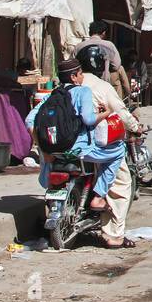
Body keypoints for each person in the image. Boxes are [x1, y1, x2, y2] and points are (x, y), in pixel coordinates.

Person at [27, 58, 133, 247]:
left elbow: (29, 121)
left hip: (55, 151)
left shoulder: (52, 94)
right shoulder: (82, 91)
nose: (83, 77)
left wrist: (43, 150)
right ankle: (99, 197)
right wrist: (106, 113)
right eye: (80, 74)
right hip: (81, 149)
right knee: (118, 151)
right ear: (75, 76)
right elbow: (89, 119)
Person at [75, 45, 142, 247]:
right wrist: (135, 127)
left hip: (66, 144)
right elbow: (120, 111)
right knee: (121, 182)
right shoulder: (101, 86)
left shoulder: (66, 84)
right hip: (95, 145)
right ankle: (113, 234)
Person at [74, 21, 129, 103]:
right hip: (104, 82)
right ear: (103, 33)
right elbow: (116, 65)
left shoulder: (79, 46)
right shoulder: (109, 45)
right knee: (119, 70)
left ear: (90, 32)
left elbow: (74, 64)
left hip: (85, 82)